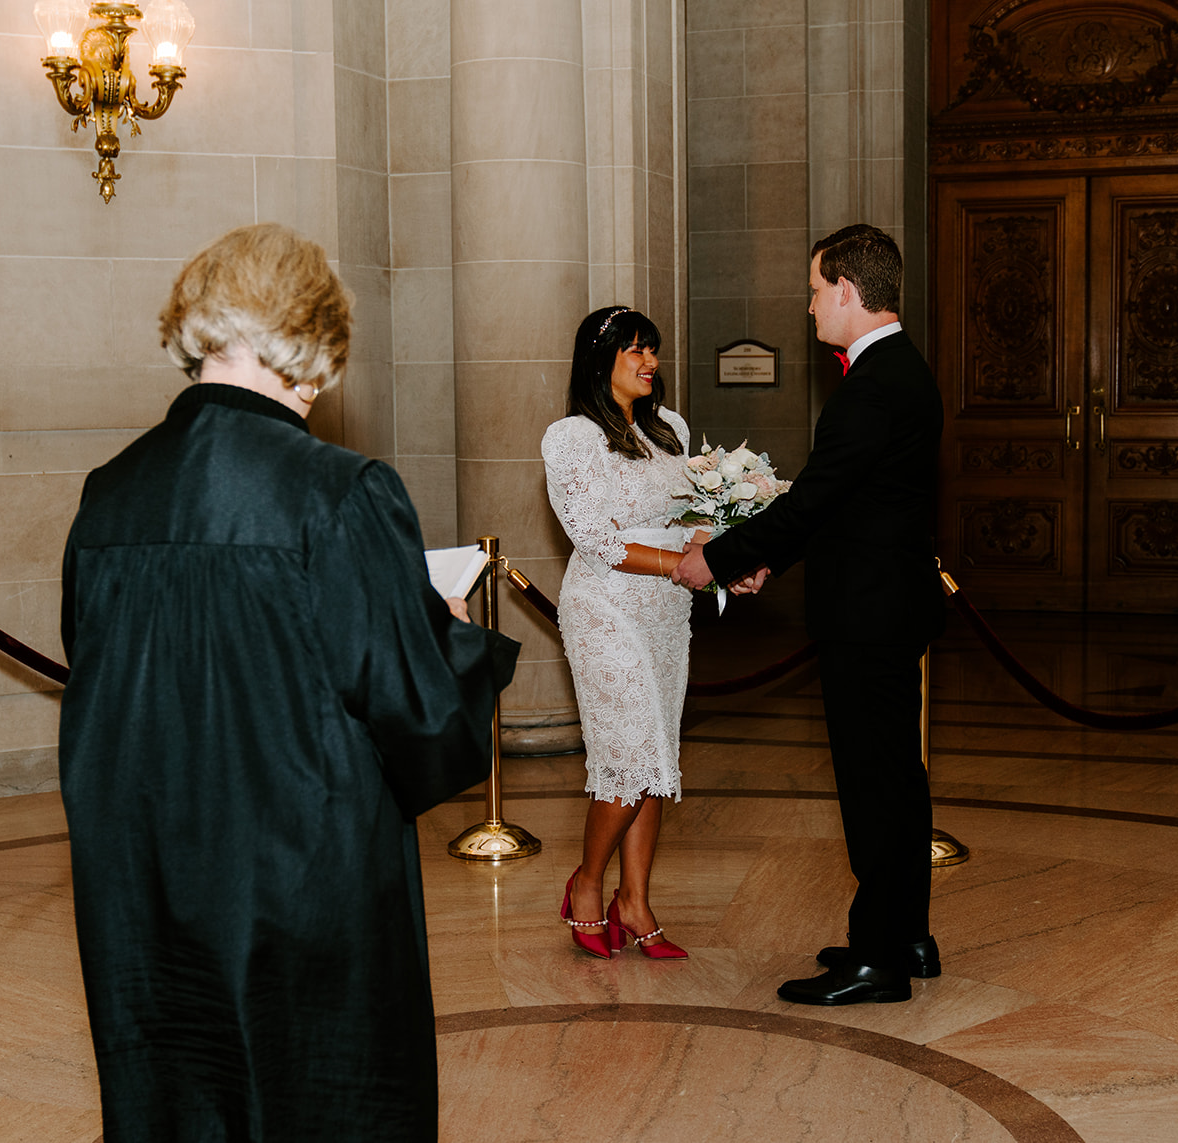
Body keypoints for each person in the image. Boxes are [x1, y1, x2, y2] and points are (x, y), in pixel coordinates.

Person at [58, 222, 519, 1141]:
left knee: (180, 1097)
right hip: (301, 888)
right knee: (316, 1097)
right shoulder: (340, 492)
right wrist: (455, 638)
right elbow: (419, 721)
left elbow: (95, 675)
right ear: (317, 345)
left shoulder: (107, 491)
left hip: (146, 883)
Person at [672, 224, 945, 1005]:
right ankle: (906, 933)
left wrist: (717, 559)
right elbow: (844, 506)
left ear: (849, 293)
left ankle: (877, 960)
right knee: (898, 777)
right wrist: (765, 556)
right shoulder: (902, 370)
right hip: (886, 605)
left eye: (817, 289)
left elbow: (819, 499)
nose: (810, 305)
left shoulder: (871, 384)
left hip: (868, 614)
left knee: (873, 785)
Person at [541, 306, 702, 961]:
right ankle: (586, 882)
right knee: (629, 758)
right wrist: (680, 562)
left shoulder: (673, 430)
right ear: (598, 360)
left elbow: (696, 512)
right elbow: (597, 538)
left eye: (653, 350)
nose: (649, 362)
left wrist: (708, 549)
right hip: (605, 607)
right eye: (636, 350)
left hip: (668, 611)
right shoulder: (573, 437)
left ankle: (633, 901)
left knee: (658, 761)